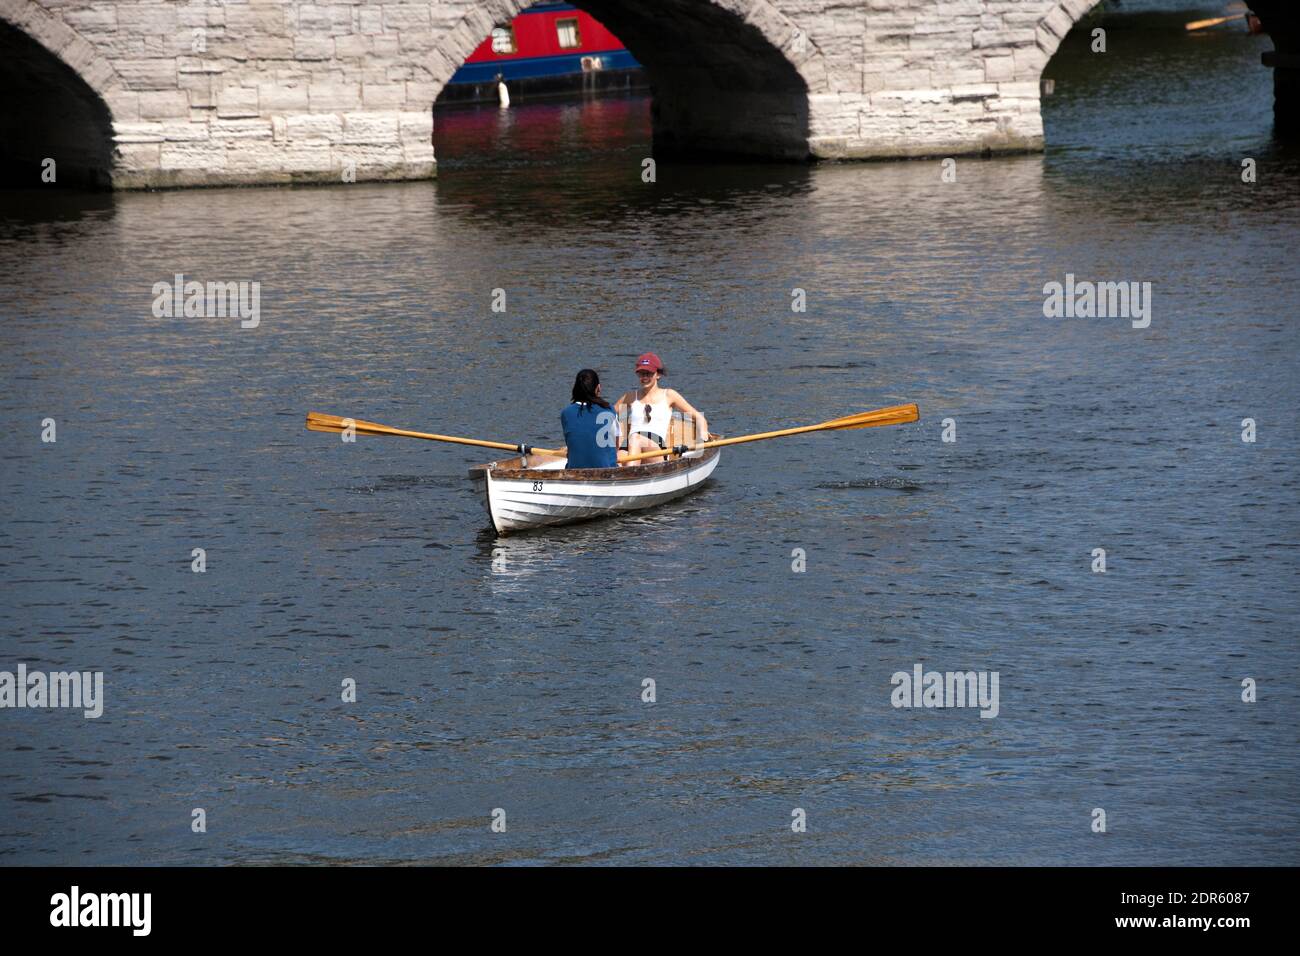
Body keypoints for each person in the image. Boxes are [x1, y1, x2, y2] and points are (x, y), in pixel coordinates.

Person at [615, 352, 710, 465]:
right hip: (631, 443)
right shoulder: (630, 396)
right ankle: (623, 474)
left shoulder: (669, 395)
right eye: (641, 374)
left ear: (658, 375)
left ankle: (629, 476)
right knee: (616, 459)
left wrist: (703, 435)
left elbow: (698, 417)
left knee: (636, 439)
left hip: (656, 447)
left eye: (648, 373)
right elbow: (609, 413)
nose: (644, 377)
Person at [560, 369, 620, 469]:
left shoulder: (566, 413)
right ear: (598, 388)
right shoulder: (609, 410)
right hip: (607, 472)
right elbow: (616, 446)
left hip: (575, 471)